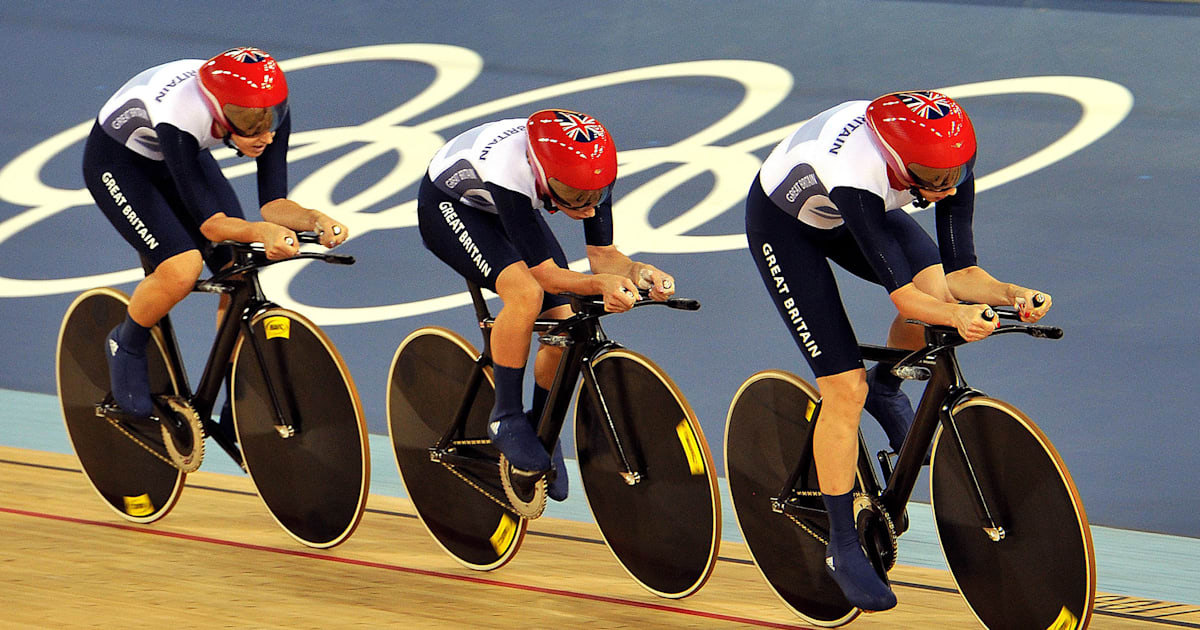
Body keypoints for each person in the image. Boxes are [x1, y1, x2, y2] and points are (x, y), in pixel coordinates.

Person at [744, 91, 1051, 611]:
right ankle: (843, 547)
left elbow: (963, 275)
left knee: (941, 296)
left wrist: (1013, 294)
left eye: (952, 177)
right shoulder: (859, 172)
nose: (943, 189)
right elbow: (905, 299)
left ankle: (889, 389)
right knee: (844, 388)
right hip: (786, 227)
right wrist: (955, 316)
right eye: (930, 181)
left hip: (848, 209)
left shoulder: (946, 162)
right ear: (893, 158)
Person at [82, 47, 348, 431]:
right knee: (181, 269)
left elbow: (274, 203)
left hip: (179, 155)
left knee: (237, 271)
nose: (264, 133)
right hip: (120, 164)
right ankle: (126, 342)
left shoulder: (270, 111)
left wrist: (313, 219)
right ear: (219, 111)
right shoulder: (181, 118)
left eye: (268, 118)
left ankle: (230, 385)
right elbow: (212, 225)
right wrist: (262, 232)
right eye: (249, 122)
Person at [417, 109, 675, 501]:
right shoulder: (512, 170)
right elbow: (547, 276)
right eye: (574, 196)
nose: (588, 206)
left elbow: (604, 256)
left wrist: (640, 271)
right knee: (525, 294)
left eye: (597, 195)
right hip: (452, 206)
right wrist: (598, 284)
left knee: (565, 322)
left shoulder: (589, 173)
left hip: (505, 202)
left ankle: (542, 427)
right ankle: (505, 416)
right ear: (541, 171)